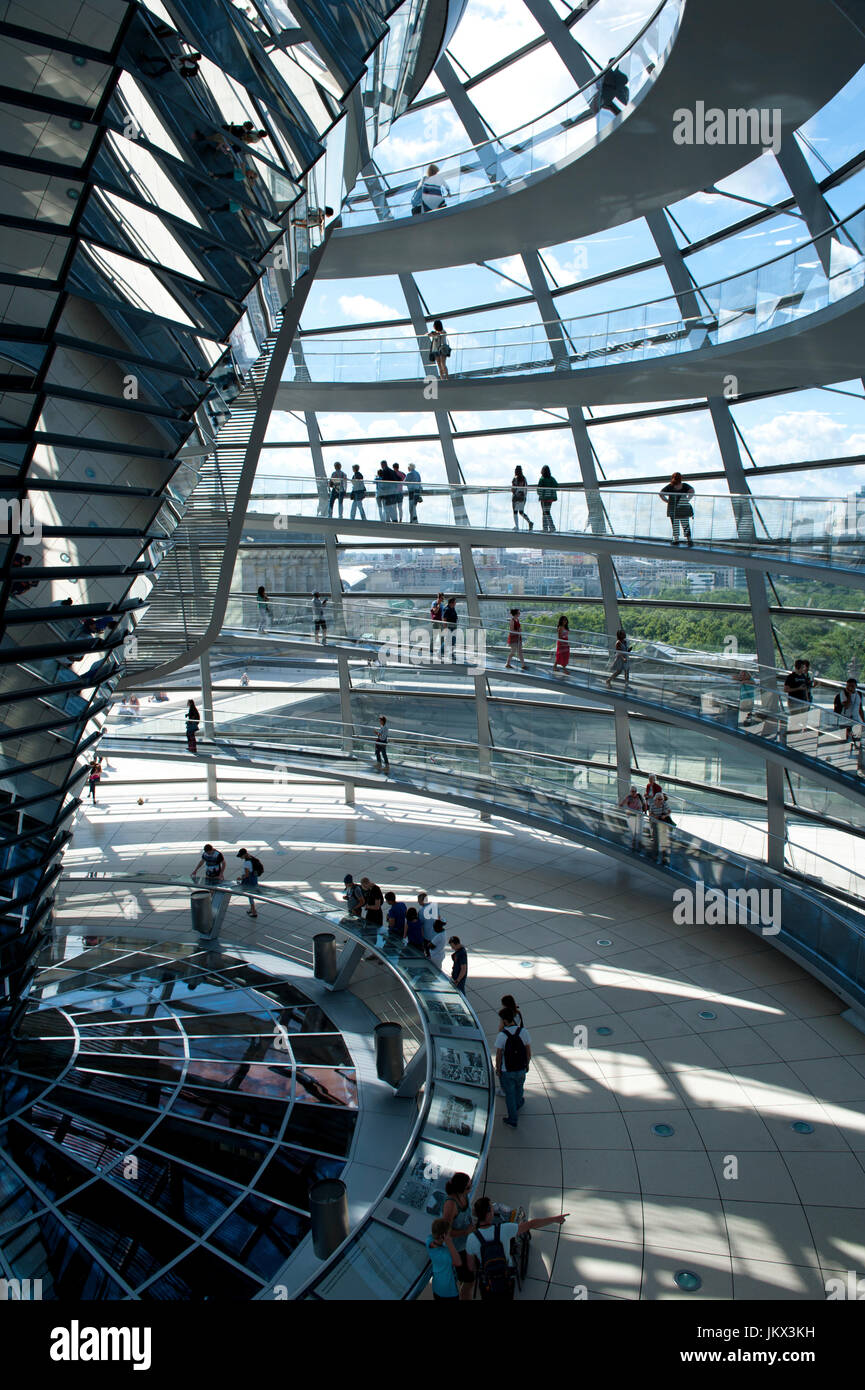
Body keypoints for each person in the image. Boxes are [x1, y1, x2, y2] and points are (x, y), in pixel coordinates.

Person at [466, 1197, 568, 1300]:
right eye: (492, 1208)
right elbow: (531, 1224)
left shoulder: (472, 1238)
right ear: (489, 1213)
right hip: (506, 1279)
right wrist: (555, 1219)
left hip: (488, 1283)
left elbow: (471, 1267)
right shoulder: (504, 1229)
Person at [496, 1006, 531, 1128]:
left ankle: (513, 1119)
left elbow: (499, 1054)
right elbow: (528, 1051)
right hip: (521, 1068)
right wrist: (527, 1064)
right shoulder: (524, 1032)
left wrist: (498, 1069)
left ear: (505, 1021)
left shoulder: (502, 1036)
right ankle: (519, 1102)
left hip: (507, 1070)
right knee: (519, 1087)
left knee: (509, 1094)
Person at [442, 1172, 476, 1299]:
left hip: (468, 1242)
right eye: (468, 1187)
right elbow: (446, 1232)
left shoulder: (464, 1196)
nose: (471, 1188)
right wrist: (465, 1232)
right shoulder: (451, 1205)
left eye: (470, 1184)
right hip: (459, 1249)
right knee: (469, 1280)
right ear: (461, 1189)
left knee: (469, 1274)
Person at [427, 1219, 461, 1300]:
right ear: (443, 1236)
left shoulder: (428, 1241)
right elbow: (458, 1262)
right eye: (449, 1233)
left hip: (437, 1288)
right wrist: (449, 1243)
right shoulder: (446, 1254)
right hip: (449, 1292)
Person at [659, 472, 695, 547]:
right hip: (683, 508)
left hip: (673, 508)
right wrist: (687, 499)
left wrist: (667, 501)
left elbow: (661, 493)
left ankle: (676, 540)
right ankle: (689, 540)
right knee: (685, 524)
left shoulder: (670, 486)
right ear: (681, 478)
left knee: (675, 524)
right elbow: (692, 491)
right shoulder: (684, 486)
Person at [647, 788, 674, 866]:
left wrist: (664, 816)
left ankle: (664, 856)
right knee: (656, 839)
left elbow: (669, 811)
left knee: (663, 839)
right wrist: (654, 817)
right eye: (658, 799)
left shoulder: (664, 804)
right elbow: (650, 813)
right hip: (655, 823)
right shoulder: (652, 804)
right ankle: (655, 856)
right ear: (655, 799)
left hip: (663, 824)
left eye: (661, 799)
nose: (660, 801)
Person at [834, 677, 864, 744]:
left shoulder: (859, 694)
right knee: (844, 739)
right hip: (845, 719)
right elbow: (846, 706)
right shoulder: (843, 693)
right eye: (848, 686)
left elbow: (860, 709)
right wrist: (849, 695)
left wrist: (863, 721)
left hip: (855, 720)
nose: (850, 688)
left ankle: (856, 750)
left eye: (852, 686)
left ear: (856, 686)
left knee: (857, 738)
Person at [236, 848, 263, 918]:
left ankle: (254, 912)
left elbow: (247, 875)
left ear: (244, 854)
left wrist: (240, 878)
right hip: (254, 878)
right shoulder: (251, 858)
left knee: (250, 895)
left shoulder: (246, 863)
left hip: (249, 880)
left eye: (241, 856)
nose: (240, 857)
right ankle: (252, 909)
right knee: (250, 895)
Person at [619, 786, 646, 851]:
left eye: (634, 791)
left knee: (639, 830)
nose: (633, 793)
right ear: (630, 792)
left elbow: (644, 804)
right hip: (631, 816)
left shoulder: (639, 797)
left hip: (639, 816)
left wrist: (644, 812)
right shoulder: (628, 797)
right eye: (632, 791)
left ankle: (638, 844)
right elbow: (621, 804)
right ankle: (633, 845)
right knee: (632, 831)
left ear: (636, 792)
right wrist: (626, 810)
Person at [511, 466, 533, 530]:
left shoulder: (515, 478)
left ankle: (517, 526)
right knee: (521, 512)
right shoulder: (524, 478)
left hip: (516, 497)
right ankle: (529, 522)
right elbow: (526, 488)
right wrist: (524, 495)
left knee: (515, 512)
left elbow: (513, 489)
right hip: (522, 497)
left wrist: (514, 492)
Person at [537, 465, 558, 532]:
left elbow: (539, 489)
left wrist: (540, 494)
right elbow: (556, 485)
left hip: (544, 498)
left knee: (545, 512)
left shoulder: (542, 479)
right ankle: (546, 527)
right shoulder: (552, 479)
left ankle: (549, 527)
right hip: (550, 498)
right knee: (546, 512)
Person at [442, 597, 458, 663]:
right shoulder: (447, 609)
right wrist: (446, 629)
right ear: (451, 603)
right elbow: (444, 619)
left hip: (453, 627)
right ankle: (442, 652)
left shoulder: (452, 608)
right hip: (449, 628)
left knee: (453, 641)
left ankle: (450, 653)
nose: (455, 603)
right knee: (448, 641)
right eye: (454, 602)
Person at [430, 593, 445, 660]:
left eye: (443, 598)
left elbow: (442, 613)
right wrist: (438, 607)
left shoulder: (442, 604)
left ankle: (441, 651)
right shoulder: (434, 603)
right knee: (435, 636)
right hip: (436, 622)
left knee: (442, 637)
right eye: (442, 598)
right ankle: (431, 650)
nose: (442, 599)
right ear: (439, 597)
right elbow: (435, 612)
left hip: (441, 622)